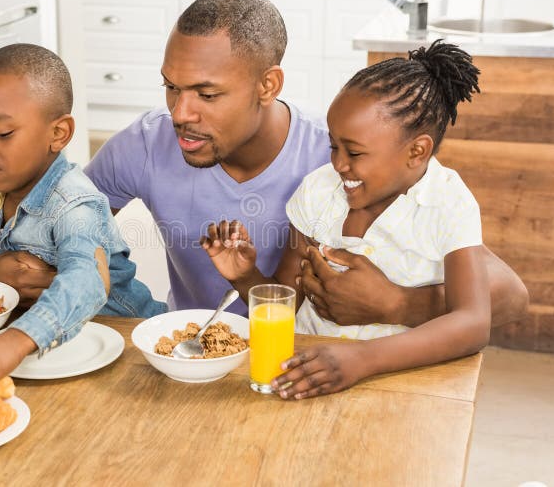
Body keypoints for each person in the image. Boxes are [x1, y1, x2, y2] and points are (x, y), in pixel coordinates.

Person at [0, 0, 527, 333]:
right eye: (171, 87)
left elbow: (506, 294)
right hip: (190, 348)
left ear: (268, 85)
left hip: (305, 357)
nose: (179, 113)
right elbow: (50, 221)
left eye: (206, 94)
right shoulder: (146, 144)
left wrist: (396, 305)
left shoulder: (339, 159)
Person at [203, 40, 492, 398]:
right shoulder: (318, 191)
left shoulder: (447, 204)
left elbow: (474, 322)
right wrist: (246, 276)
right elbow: (288, 303)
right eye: (333, 146)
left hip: (397, 381)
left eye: (354, 152)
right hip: (307, 369)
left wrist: (362, 360)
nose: (338, 164)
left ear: (417, 151)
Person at [0, 44, 165, 388]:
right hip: (52, 354)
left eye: (3, 133)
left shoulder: (73, 204)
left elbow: (85, 279)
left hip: (127, 344)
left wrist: (17, 339)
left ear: (58, 134)